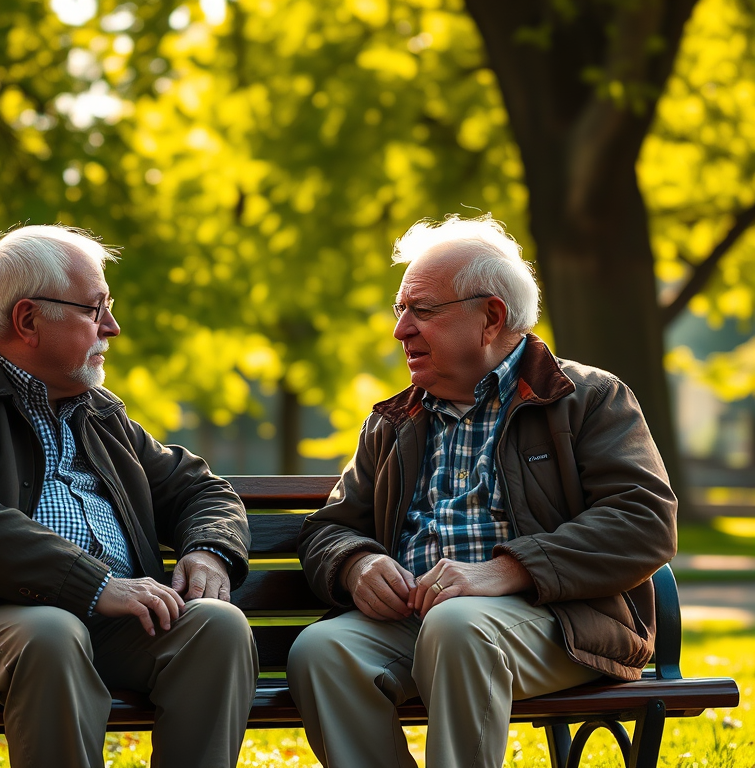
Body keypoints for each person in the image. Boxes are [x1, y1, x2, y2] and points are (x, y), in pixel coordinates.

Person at [0, 224, 258, 768]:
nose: (113, 325)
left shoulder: (98, 411)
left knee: (217, 629)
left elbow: (200, 489)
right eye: (94, 309)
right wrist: (93, 584)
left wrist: (208, 548)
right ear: (28, 319)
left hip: (101, 621)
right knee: (52, 633)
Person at [286, 214, 677, 768]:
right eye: (400, 311)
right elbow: (330, 527)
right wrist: (354, 564)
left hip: (561, 622)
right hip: (419, 620)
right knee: (322, 651)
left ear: (490, 316)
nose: (401, 330)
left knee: (459, 626)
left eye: (422, 310)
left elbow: (644, 520)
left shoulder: (585, 397)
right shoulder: (395, 421)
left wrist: (508, 570)